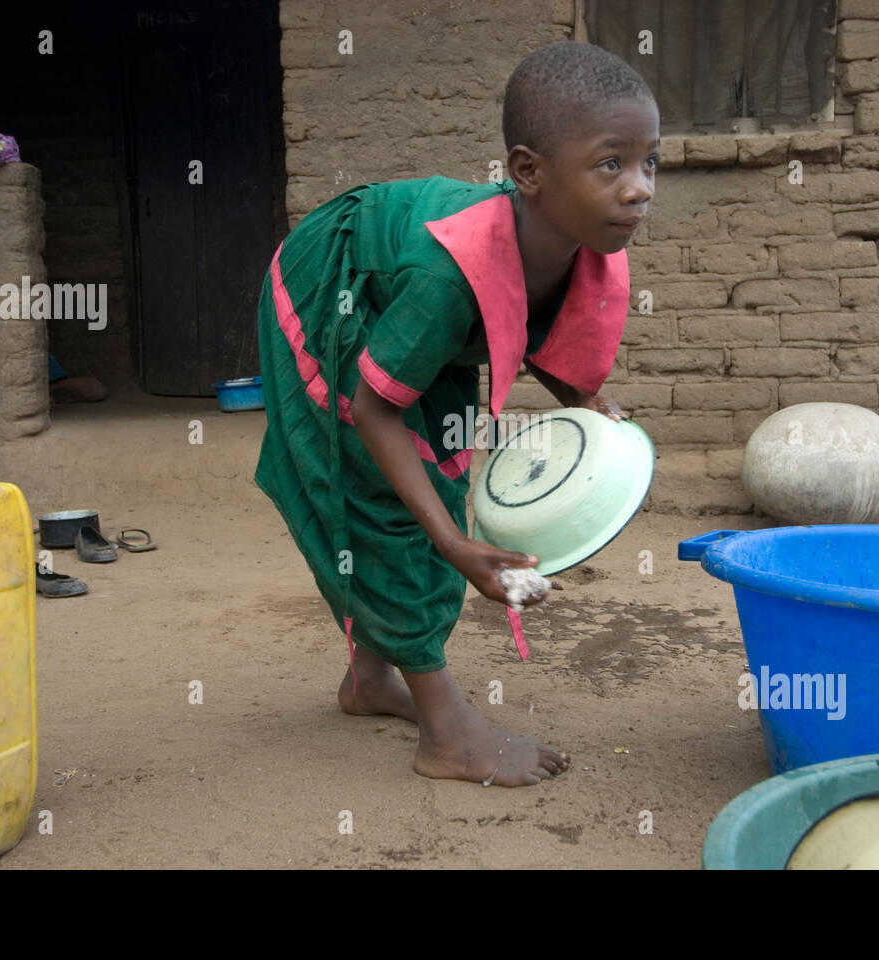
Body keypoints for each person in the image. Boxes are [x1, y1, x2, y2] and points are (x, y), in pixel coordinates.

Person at [254, 41, 658, 787]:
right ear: (529, 172)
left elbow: (533, 323)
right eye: (611, 164)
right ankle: (446, 732)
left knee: (440, 465)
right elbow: (375, 409)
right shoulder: (444, 278)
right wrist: (452, 543)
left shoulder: (583, 243)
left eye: (649, 163)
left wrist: (585, 404)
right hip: (332, 294)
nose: (638, 190)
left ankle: (370, 680)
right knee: (381, 502)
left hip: (408, 309)